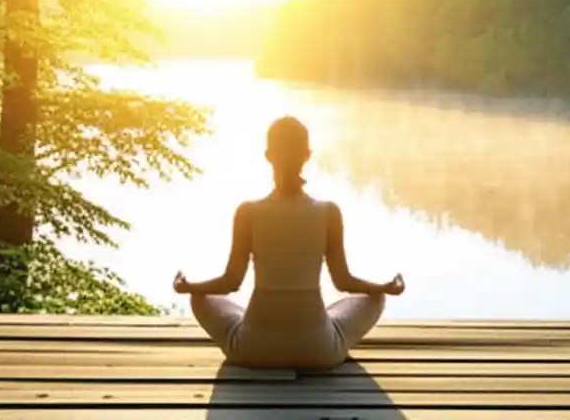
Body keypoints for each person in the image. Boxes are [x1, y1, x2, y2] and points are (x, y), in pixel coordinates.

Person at [172, 116, 405, 370]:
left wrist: (189, 286)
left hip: (252, 349)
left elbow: (231, 282)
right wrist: (383, 287)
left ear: (268, 155)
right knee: (375, 299)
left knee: (200, 298)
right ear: (307, 155)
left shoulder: (248, 212)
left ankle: (259, 325)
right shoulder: (328, 212)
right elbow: (343, 281)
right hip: (319, 351)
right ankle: (321, 324)